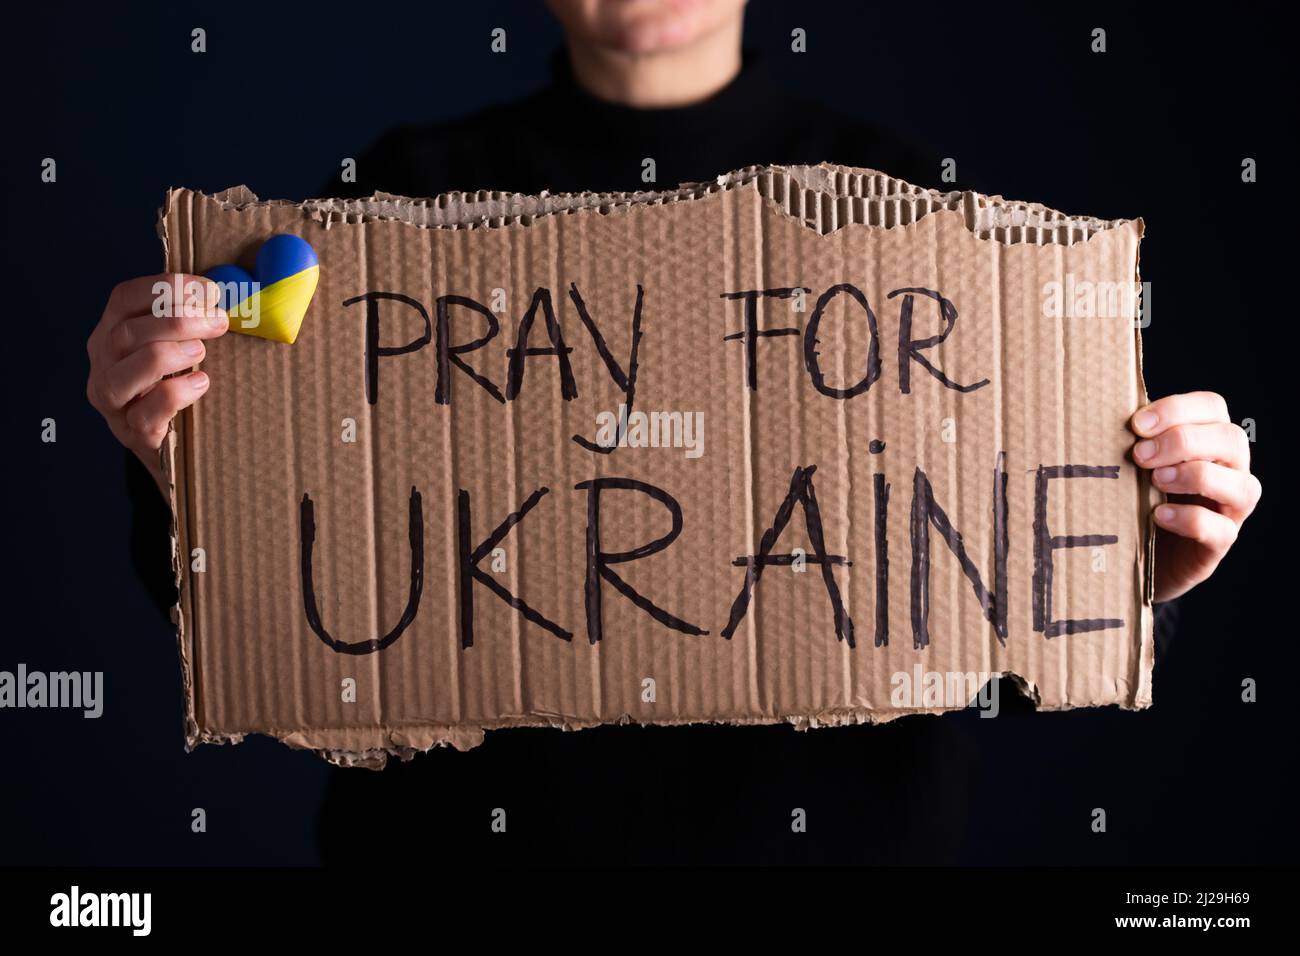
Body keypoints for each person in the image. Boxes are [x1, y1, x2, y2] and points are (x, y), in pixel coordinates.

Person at [84, 0, 1261, 863]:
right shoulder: (386, 212)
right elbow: (283, 609)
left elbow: (945, 634)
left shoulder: (921, 219)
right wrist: (177, 460)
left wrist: (1116, 559)